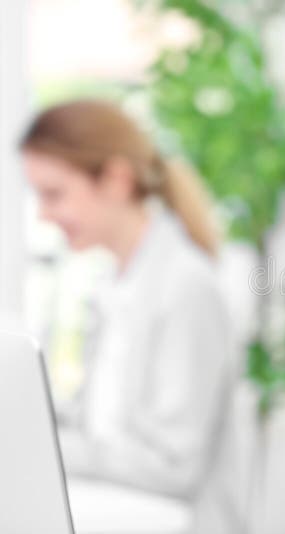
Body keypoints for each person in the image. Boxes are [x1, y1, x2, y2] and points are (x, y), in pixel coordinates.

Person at [20, 99, 238, 532]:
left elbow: (173, 468)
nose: (43, 214)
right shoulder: (111, 283)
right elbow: (103, 426)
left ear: (116, 180)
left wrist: (42, 449)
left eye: (54, 194)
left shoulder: (185, 286)